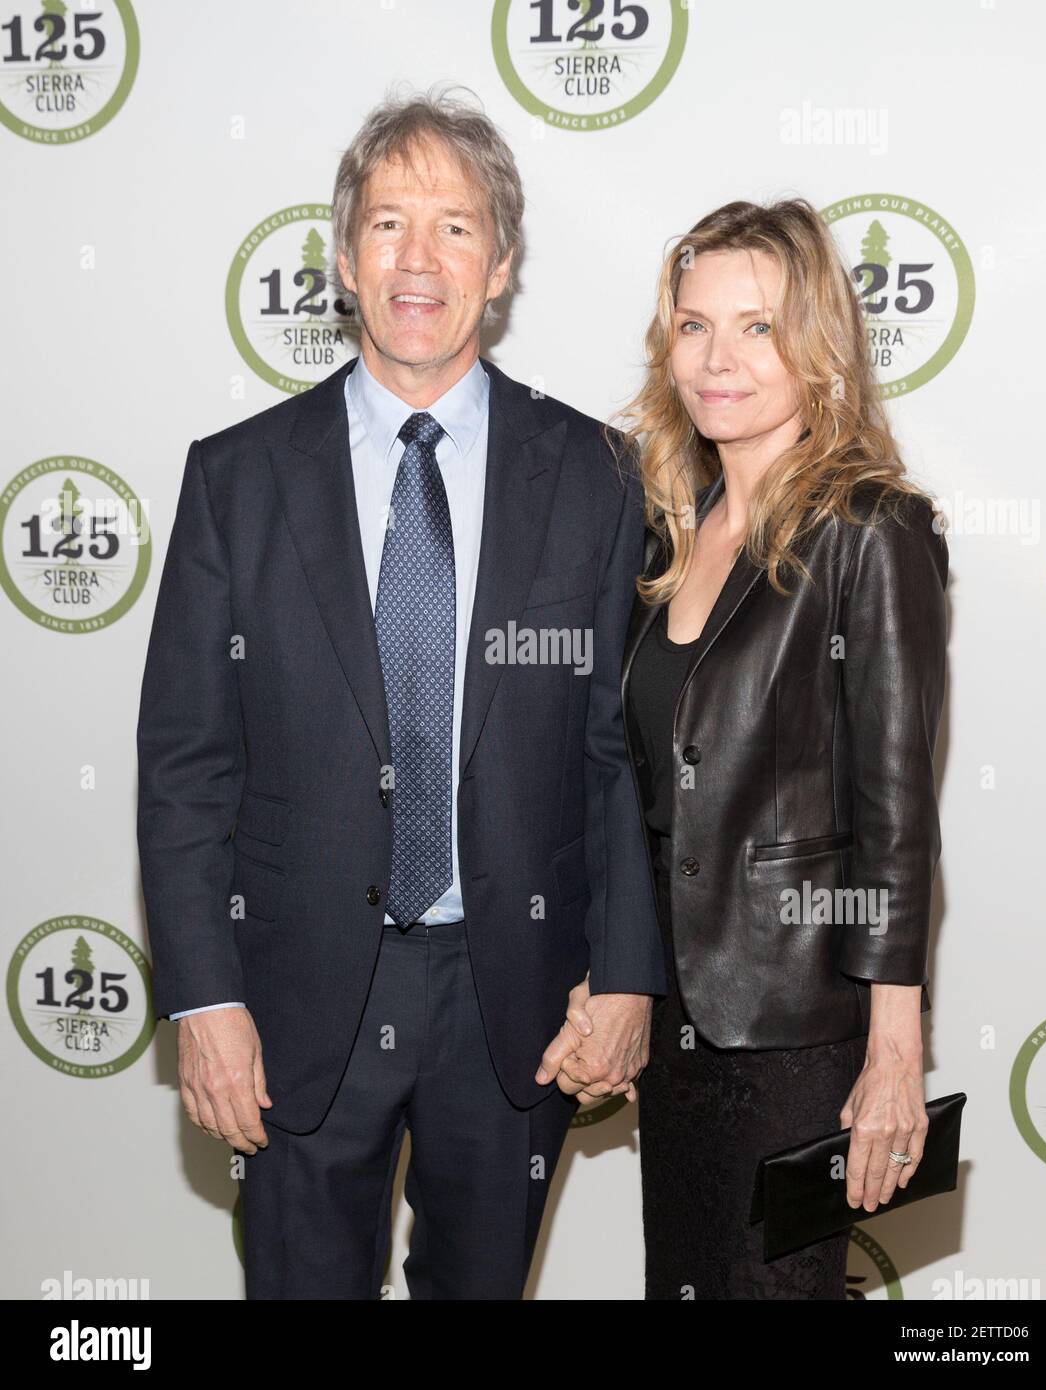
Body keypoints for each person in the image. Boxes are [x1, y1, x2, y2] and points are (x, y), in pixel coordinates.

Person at [135, 86, 666, 1300]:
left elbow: (615, 755)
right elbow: (184, 764)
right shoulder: (237, 480)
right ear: (341, 257)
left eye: (455, 226)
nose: (418, 258)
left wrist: (627, 971)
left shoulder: (594, 476)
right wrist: (202, 996)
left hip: (516, 1004)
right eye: (386, 224)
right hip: (291, 999)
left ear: (501, 265)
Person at [565, 198, 949, 1298]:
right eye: (692, 325)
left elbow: (896, 822)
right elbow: (638, 798)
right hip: (678, 1027)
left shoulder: (870, 532)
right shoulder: (664, 530)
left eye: (756, 327)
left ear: (817, 347)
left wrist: (891, 1055)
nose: (716, 358)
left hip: (797, 1034)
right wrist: (610, 979)